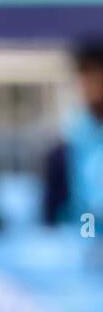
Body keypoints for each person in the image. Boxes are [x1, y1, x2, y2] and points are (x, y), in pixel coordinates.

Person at [43, 39, 103, 226]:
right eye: (86, 75)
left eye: (97, 74)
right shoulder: (66, 145)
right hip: (79, 243)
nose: (92, 84)